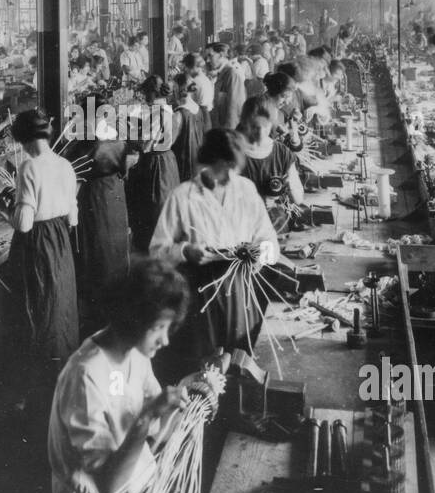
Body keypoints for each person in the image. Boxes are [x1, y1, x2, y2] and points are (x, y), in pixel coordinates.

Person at [48, 258, 193, 493]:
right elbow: (108, 486)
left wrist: (179, 405)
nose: (165, 340)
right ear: (134, 319)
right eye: (157, 328)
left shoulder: (133, 351)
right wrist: (148, 416)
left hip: (134, 482)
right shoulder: (85, 376)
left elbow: (156, 423)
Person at [148, 128, 279, 380]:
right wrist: (185, 251)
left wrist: (259, 254)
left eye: (235, 167)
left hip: (239, 289)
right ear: (210, 161)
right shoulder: (183, 196)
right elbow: (157, 251)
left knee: (237, 362)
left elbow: (269, 240)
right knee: (201, 367)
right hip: (198, 292)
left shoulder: (246, 190)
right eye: (225, 167)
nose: (231, 174)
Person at [6, 109, 80, 383]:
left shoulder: (29, 166)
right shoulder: (65, 164)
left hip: (36, 242)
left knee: (38, 304)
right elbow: (73, 217)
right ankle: (62, 368)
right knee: (59, 301)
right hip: (60, 239)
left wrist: (7, 213)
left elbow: (24, 223)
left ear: (24, 140)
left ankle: (39, 377)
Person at [66, 121, 130, 328]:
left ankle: (95, 314)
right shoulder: (117, 137)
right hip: (114, 195)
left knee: (95, 251)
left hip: (94, 197)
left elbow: (71, 175)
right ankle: (115, 307)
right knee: (114, 252)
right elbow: (127, 165)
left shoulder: (87, 143)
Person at [126, 77, 180, 252]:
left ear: (151, 93)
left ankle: (150, 252)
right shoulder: (166, 108)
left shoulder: (157, 112)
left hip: (156, 164)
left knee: (152, 208)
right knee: (162, 207)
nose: (143, 98)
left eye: (145, 93)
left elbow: (145, 144)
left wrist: (128, 133)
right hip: (167, 161)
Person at [237, 97, 303, 230]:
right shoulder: (233, 152)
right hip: (242, 226)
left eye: (266, 126)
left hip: (275, 225)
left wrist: (288, 190)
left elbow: (298, 198)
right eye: (255, 127)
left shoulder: (281, 152)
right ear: (245, 123)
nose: (261, 132)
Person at [207, 42, 246, 131]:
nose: (208, 60)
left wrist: (228, 135)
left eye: (210, 56)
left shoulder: (232, 74)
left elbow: (235, 108)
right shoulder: (222, 74)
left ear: (221, 55)